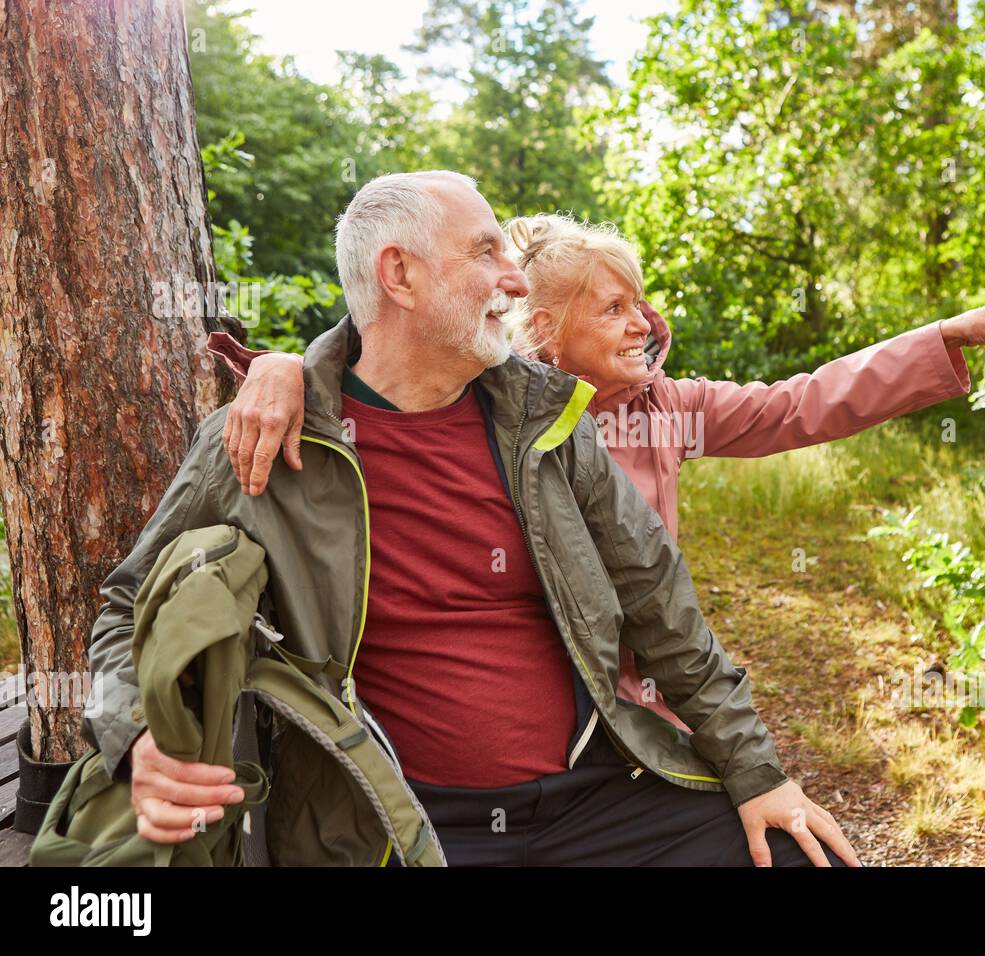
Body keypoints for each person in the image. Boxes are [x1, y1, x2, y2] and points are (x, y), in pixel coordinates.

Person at [87, 170, 859, 867]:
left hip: (598, 795)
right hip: (393, 825)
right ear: (400, 275)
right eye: (487, 252)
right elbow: (125, 607)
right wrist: (135, 739)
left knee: (793, 857)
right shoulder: (269, 435)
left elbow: (662, 608)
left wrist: (759, 773)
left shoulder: (546, 420)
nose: (516, 280)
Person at [219, 212, 985, 730]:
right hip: (529, 713)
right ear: (545, 329)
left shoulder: (668, 408)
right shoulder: (483, 403)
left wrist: (946, 336)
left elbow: (802, 402)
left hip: (648, 701)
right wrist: (281, 366)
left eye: (641, 305)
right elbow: (384, 371)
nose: (642, 326)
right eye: (614, 308)